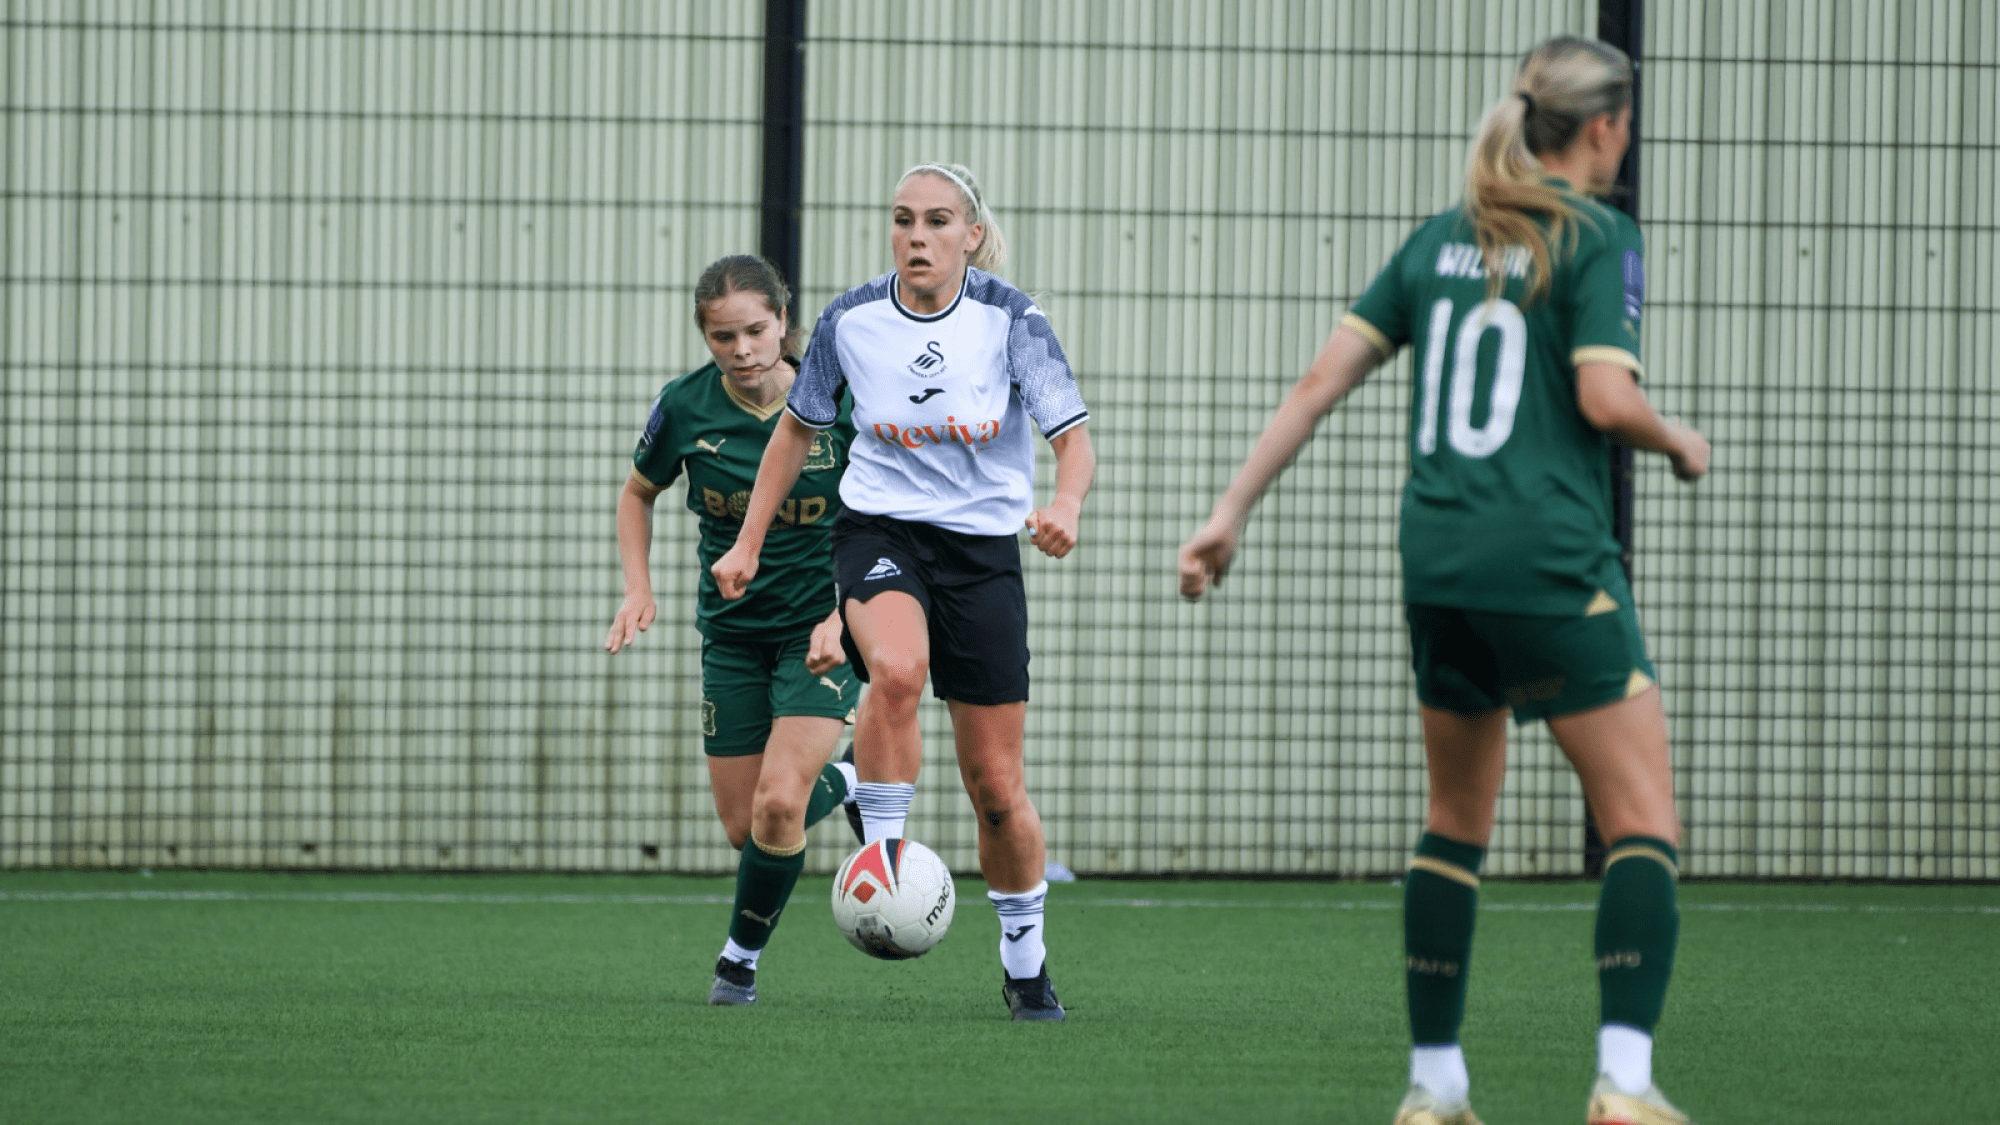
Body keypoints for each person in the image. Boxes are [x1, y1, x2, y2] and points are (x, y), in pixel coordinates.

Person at [1178, 38, 1710, 1125]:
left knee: (1452, 824)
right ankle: (1621, 1080)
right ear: (1604, 129)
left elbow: (1317, 383)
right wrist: (1677, 441)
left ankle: (1433, 1089)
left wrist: (1226, 513)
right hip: (1551, 563)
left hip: (1438, 567)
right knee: (1641, 820)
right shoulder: (1597, 236)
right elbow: (1605, 399)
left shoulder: (1437, 242)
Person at [712, 163, 1095, 1022]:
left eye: (935, 221)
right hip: (879, 533)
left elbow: (1073, 441)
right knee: (895, 667)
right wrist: (745, 541)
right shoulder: (852, 320)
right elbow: (793, 437)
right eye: (902, 220)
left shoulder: (1011, 319)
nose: (916, 236)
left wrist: (1065, 503)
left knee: (997, 785)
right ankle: (883, 863)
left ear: (972, 237)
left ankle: (1025, 962)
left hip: (983, 554)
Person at [605, 254, 864, 1008]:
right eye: (724, 337)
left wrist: (847, 611)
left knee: (779, 805)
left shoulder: (840, 401)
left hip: (822, 632)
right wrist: (638, 585)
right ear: (705, 337)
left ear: (785, 322)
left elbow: (887, 509)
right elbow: (637, 493)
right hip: (731, 635)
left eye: (756, 330)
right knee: (743, 826)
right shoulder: (684, 406)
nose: (743, 350)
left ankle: (737, 963)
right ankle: (849, 779)